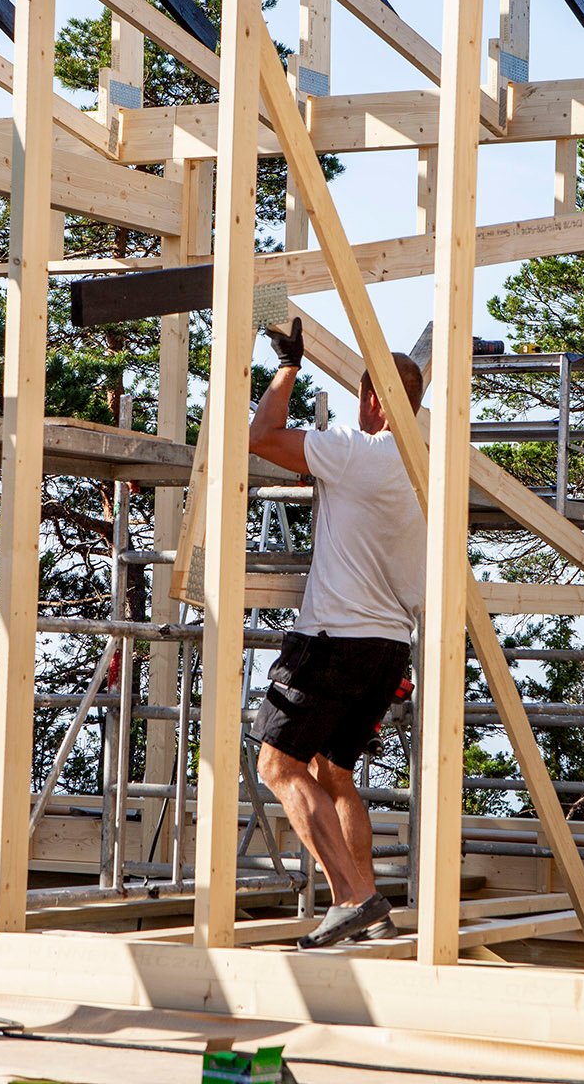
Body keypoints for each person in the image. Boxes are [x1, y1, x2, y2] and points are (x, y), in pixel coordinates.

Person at [245, 317, 426, 948]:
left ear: (374, 399)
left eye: (362, 393)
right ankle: (370, 911)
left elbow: (262, 436)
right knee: (334, 773)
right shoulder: (424, 464)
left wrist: (289, 368)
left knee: (278, 764)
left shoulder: (359, 450)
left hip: (333, 640)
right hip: (387, 648)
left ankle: (351, 896)